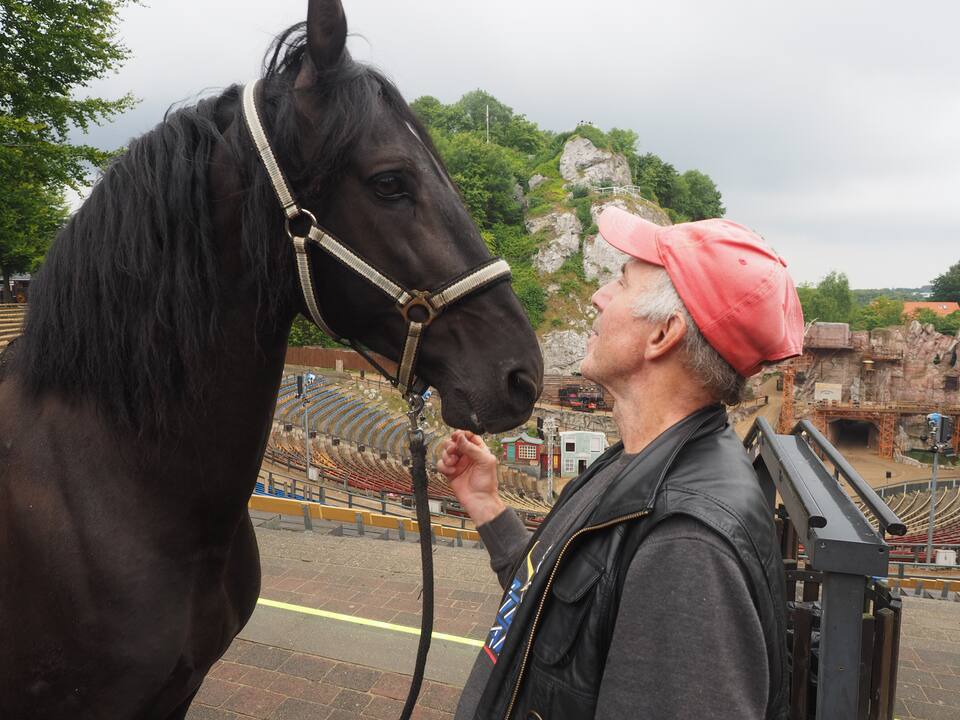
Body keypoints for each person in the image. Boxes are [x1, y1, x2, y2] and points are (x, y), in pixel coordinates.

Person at [438, 207, 804, 720]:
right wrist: (488, 507)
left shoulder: (687, 546)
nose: (597, 296)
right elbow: (560, 607)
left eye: (622, 282)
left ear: (663, 335)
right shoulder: (638, 460)